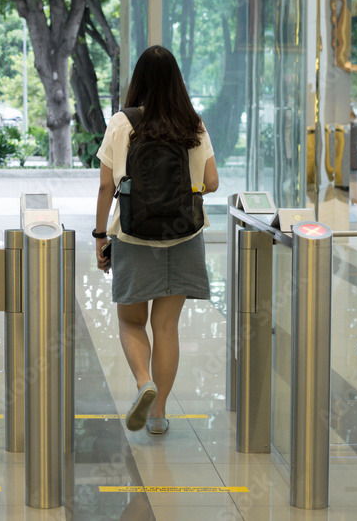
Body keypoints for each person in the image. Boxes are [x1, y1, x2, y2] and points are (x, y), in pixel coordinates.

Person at [93, 46, 219, 435]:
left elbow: (104, 187)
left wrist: (100, 237)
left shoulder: (122, 123)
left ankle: (143, 382)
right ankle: (159, 414)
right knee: (166, 327)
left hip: (134, 235)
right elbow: (211, 183)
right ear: (177, 82)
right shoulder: (193, 124)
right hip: (183, 236)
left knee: (132, 322)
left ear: (139, 80)